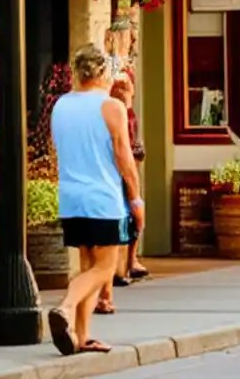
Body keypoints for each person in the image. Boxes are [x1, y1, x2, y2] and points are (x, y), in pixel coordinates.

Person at [47, 44, 145, 356]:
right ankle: (65, 307)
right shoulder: (111, 107)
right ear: (103, 72)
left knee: (88, 265)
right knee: (106, 269)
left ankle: (82, 335)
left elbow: (57, 150)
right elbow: (124, 157)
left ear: (77, 72)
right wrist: (136, 199)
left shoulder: (61, 106)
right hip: (103, 198)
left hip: (71, 198)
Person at [95, 70, 144, 315]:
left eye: (126, 87)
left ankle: (124, 269)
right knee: (117, 228)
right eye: (119, 87)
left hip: (116, 174)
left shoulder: (125, 112)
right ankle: (97, 294)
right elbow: (121, 148)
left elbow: (131, 145)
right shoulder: (112, 111)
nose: (123, 91)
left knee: (128, 222)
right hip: (113, 177)